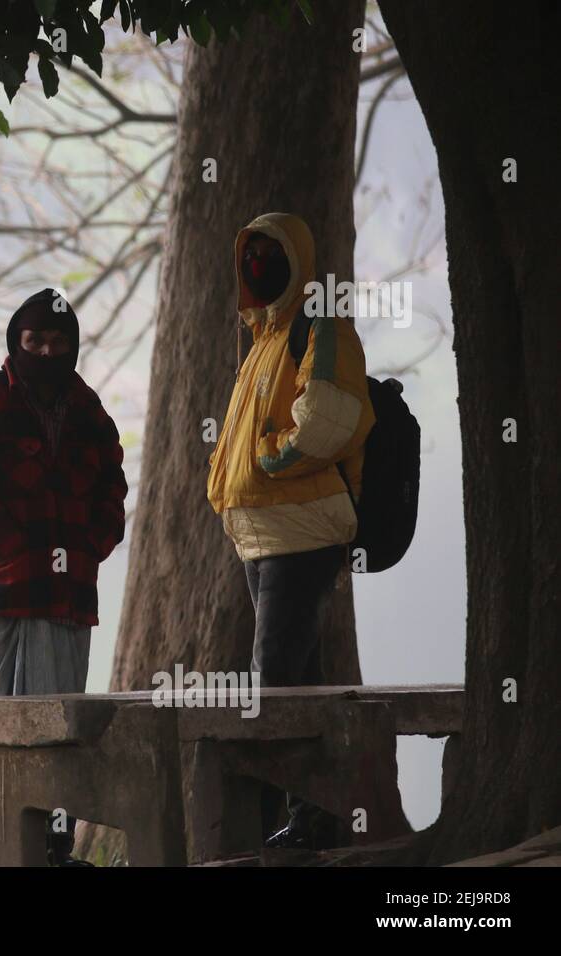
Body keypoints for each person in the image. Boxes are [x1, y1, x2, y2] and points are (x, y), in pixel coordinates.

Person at [0, 288, 128, 866]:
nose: (46, 351)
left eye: (57, 342)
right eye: (34, 341)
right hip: (0, 588)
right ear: (15, 342)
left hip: (68, 592)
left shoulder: (90, 410)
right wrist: (10, 545)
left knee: (59, 715)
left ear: (72, 347)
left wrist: (90, 548)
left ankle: (52, 846)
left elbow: (113, 491)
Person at [207, 212, 376, 850]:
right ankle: (315, 819)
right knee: (300, 680)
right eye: (248, 256)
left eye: (268, 254)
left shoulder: (318, 326)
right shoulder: (265, 341)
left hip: (301, 533)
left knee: (273, 684)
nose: (256, 267)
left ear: (296, 259)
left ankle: (282, 824)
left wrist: (270, 456)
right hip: (266, 537)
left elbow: (330, 415)